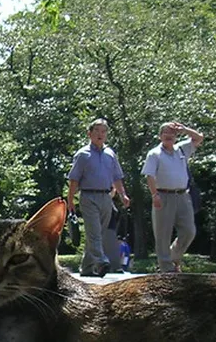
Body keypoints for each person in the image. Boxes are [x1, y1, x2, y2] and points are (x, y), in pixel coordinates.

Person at [66, 118, 131, 276]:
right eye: (97, 131)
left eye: (104, 131)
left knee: (98, 234)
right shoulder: (82, 155)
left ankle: (87, 268)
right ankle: (102, 261)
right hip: (88, 196)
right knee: (94, 232)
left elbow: (117, 177)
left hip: (106, 197)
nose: (100, 134)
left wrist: (122, 194)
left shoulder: (110, 154)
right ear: (89, 134)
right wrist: (70, 201)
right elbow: (74, 179)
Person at [141, 120, 204, 273]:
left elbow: (199, 138)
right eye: (165, 133)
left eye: (172, 133)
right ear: (160, 136)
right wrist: (154, 194)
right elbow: (149, 175)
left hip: (182, 195)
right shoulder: (154, 154)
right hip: (163, 195)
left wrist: (185, 129)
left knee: (189, 231)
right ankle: (166, 268)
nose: (169, 136)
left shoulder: (181, 149)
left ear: (176, 136)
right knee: (163, 234)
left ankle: (173, 256)